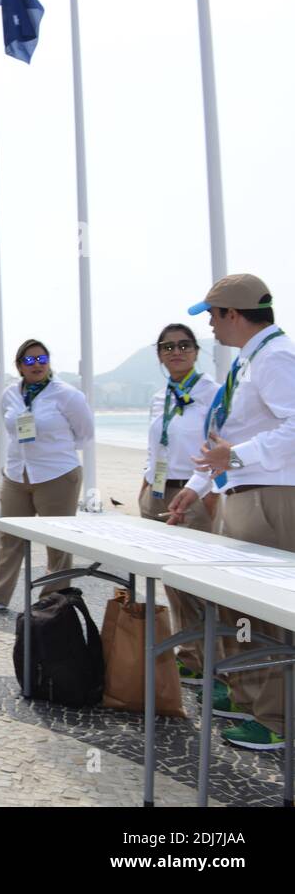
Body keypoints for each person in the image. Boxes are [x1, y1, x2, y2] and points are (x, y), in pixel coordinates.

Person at [168, 274, 293, 752]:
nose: (211, 328)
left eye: (213, 316)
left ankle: (277, 719)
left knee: (268, 616)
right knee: (242, 609)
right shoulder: (250, 360)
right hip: (242, 494)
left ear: (233, 315)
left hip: (269, 497)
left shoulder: (276, 359)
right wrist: (197, 487)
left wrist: (235, 459)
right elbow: (225, 440)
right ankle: (252, 704)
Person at [0, 339, 94, 612]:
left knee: (57, 543)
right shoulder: (10, 394)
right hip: (16, 473)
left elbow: (85, 434)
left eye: (42, 359)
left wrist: (51, 451)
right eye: (30, 360)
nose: (37, 365)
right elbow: (10, 427)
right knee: (9, 536)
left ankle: (52, 599)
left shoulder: (68, 394)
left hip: (57, 474)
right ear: (19, 366)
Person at [138, 323, 220, 687]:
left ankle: (215, 664)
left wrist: (211, 493)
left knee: (198, 582)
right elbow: (155, 447)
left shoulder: (213, 393)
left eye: (184, 345)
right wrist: (144, 486)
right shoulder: (161, 396)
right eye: (168, 347)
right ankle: (189, 655)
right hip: (159, 491)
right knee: (172, 581)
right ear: (159, 355)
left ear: (196, 351)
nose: (176, 351)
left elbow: (219, 446)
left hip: (196, 494)